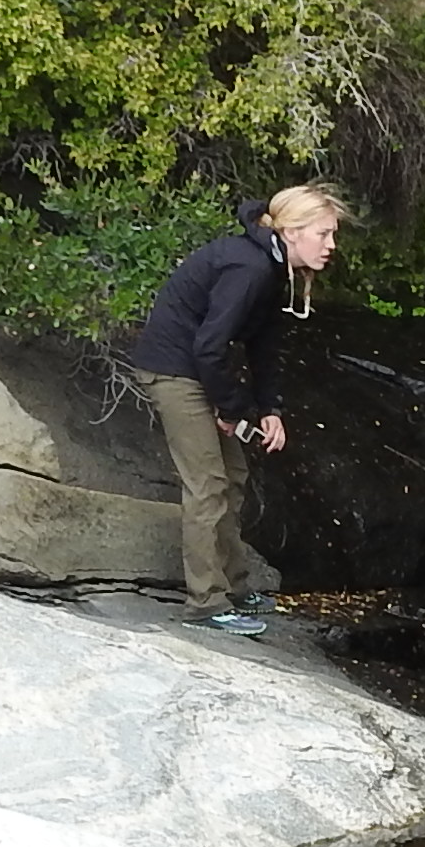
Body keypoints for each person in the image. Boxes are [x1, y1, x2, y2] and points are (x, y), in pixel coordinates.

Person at [120, 183, 341, 634]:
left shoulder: (274, 266)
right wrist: (233, 409)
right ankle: (205, 602)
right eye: (324, 234)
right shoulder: (250, 267)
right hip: (175, 371)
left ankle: (235, 586)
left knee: (234, 475)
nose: (331, 245)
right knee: (208, 484)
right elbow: (209, 347)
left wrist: (268, 409)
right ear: (294, 232)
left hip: (199, 369)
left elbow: (263, 346)